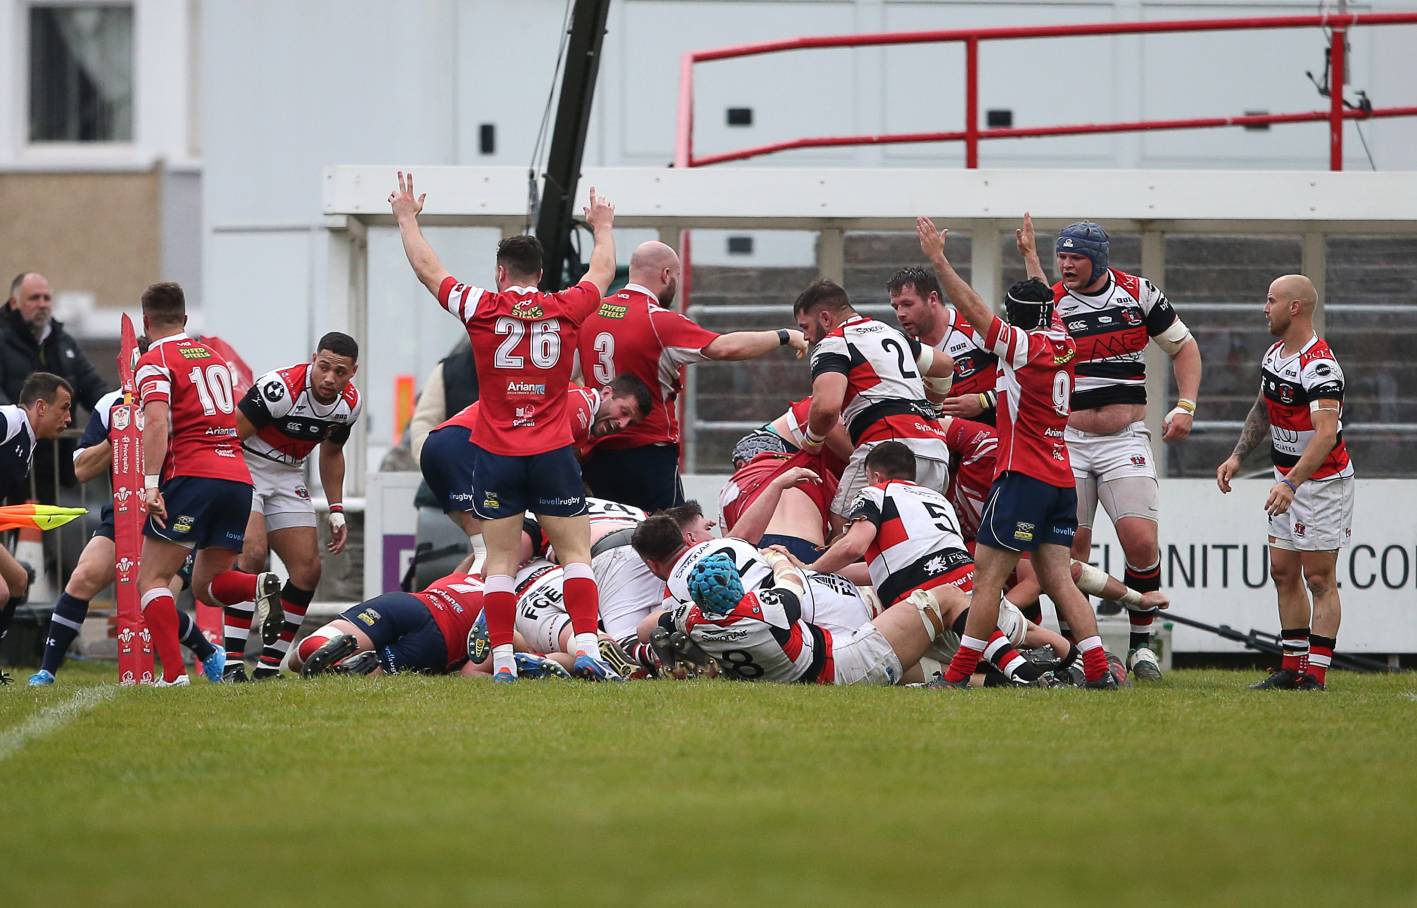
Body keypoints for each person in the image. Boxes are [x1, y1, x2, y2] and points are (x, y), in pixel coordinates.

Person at [391, 170, 619, 682]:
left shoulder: (483, 308)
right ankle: (587, 649)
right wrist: (601, 227)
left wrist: (407, 218)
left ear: (501, 273)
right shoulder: (565, 307)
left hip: (497, 454)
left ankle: (502, 663)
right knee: (575, 553)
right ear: (540, 274)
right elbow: (601, 274)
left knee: (498, 562)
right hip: (553, 449)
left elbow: (430, 271)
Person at [916, 217, 1117, 690]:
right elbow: (1043, 300)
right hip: (1060, 478)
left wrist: (938, 260)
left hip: (1022, 478)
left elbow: (974, 309)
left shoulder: (1023, 348)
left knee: (986, 580)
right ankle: (1100, 671)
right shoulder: (1063, 340)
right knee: (1060, 580)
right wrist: (1031, 254)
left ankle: (958, 677)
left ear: (1015, 316)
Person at [1017, 216, 1202, 680]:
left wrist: (1185, 406)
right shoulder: (1055, 300)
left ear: (1098, 259)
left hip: (1125, 438)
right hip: (1069, 440)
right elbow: (1034, 328)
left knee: (1140, 540)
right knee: (1069, 548)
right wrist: (1030, 259)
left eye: (1075, 256)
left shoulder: (1138, 293)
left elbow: (1184, 348)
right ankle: (1081, 649)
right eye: (1061, 256)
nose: (1066, 265)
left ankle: (1142, 646)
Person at [805, 441, 1067, 685]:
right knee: (1029, 631)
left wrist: (810, 569)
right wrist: (833, 572)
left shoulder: (874, 493)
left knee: (893, 661)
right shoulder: (936, 498)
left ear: (874, 475)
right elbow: (888, 567)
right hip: (981, 598)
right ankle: (1081, 664)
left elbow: (853, 545)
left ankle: (1012, 674)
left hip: (938, 614)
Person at [575, 240, 807, 512]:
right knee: (667, 539)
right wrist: (784, 335)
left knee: (608, 532)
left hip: (597, 454)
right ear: (665, 275)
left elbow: (570, 375)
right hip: (648, 454)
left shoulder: (591, 313)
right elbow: (726, 347)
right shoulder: (659, 320)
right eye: (674, 276)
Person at [27, 383, 223, 686]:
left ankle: (208, 654)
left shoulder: (188, 399)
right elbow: (81, 470)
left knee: (158, 600)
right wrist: (120, 432)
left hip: (173, 512)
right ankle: (47, 672)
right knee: (83, 577)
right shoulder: (110, 403)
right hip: (123, 512)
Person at [1217, 274, 1352, 692]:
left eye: (1271, 299)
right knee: (1282, 571)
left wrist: (1292, 484)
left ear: (1294, 307)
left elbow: (1326, 434)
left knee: (1319, 578)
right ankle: (1291, 667)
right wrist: (1238, 455)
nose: (1265, 307)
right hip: (1286, 478)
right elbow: (1263, 408)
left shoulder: (1321, 365)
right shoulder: (1275, 354)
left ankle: (1315, 673)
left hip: (1323, 483)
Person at [212, 333, 363, 681]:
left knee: (308, 570)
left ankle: (267, 668)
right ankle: (233, 664)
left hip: (288, 473)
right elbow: (232, 437)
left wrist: (336, 509)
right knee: (251, 554)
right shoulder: (279, 388)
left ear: (352, 372)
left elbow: (332, 453)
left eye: (339, 372)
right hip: (245, 464)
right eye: (323, 367)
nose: (329, 378)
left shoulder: (349, 405)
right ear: (313, 359)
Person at [133, 281, 256, 687]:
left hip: (193, 476)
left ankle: (172, 675)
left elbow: (155, 420)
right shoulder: (215, 357)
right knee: (206, 586)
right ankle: (265, 587)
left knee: (151, 579)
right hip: (236, 478)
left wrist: (151, 484)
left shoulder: (155, 356)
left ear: (146, 320)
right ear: (185, 319)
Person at [420, 376, 650, 575]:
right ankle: (474, 615)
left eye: (630, 422)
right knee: (494, 551)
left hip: (442, 442)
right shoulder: (579, 405)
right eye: (624, 412)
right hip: (466, 443)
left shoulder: (577, 408)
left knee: (488, 545)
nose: (622, 423)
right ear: (607, 393)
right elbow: (546, 465)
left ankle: (445, 597)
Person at [793, 279, 957, 533]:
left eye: (805, 326)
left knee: (845, 522)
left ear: (825, 318)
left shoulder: (834, 342)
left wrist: (812, 443)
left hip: (888, 445)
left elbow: (826, 407)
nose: (805, 336)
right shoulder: (888, 331)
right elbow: (945, 364)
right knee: (914, 533)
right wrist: (934, 411)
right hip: (934, 448)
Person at [664, 549, 964, 686]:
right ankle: (1011, 662)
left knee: (933, 667)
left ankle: (993, 678)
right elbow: (791, 581)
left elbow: (661, 627)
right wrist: (775, 557)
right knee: (945, 597)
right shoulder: (764, 608)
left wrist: (675, 662)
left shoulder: (692, 618)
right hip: (844, 663)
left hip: (815, 673)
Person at [0, 273, 107, 502]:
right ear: (14, 303)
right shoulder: (2, 340)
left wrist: (114, 413)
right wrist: (18, 426)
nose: (42, 304)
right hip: (11, 455)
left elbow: (92, 387)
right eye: (34, 298)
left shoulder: (64, 342)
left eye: (47, 298)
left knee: (42, 529)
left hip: (53, 461)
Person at [0, 372, 73, 657]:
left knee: (17, 580)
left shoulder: (28, 442)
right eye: (64, 408)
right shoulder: (9, 421)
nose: (68, 419)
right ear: (41, 407)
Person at [887, 266, 1000, 425]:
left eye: (907, 304)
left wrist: (985, 401)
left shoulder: (975, 328)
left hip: (1002, 436)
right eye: (895, 307)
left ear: (932, 299)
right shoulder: (904, 349)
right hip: (947, 442)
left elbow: (1028, 375)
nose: (900, 314)